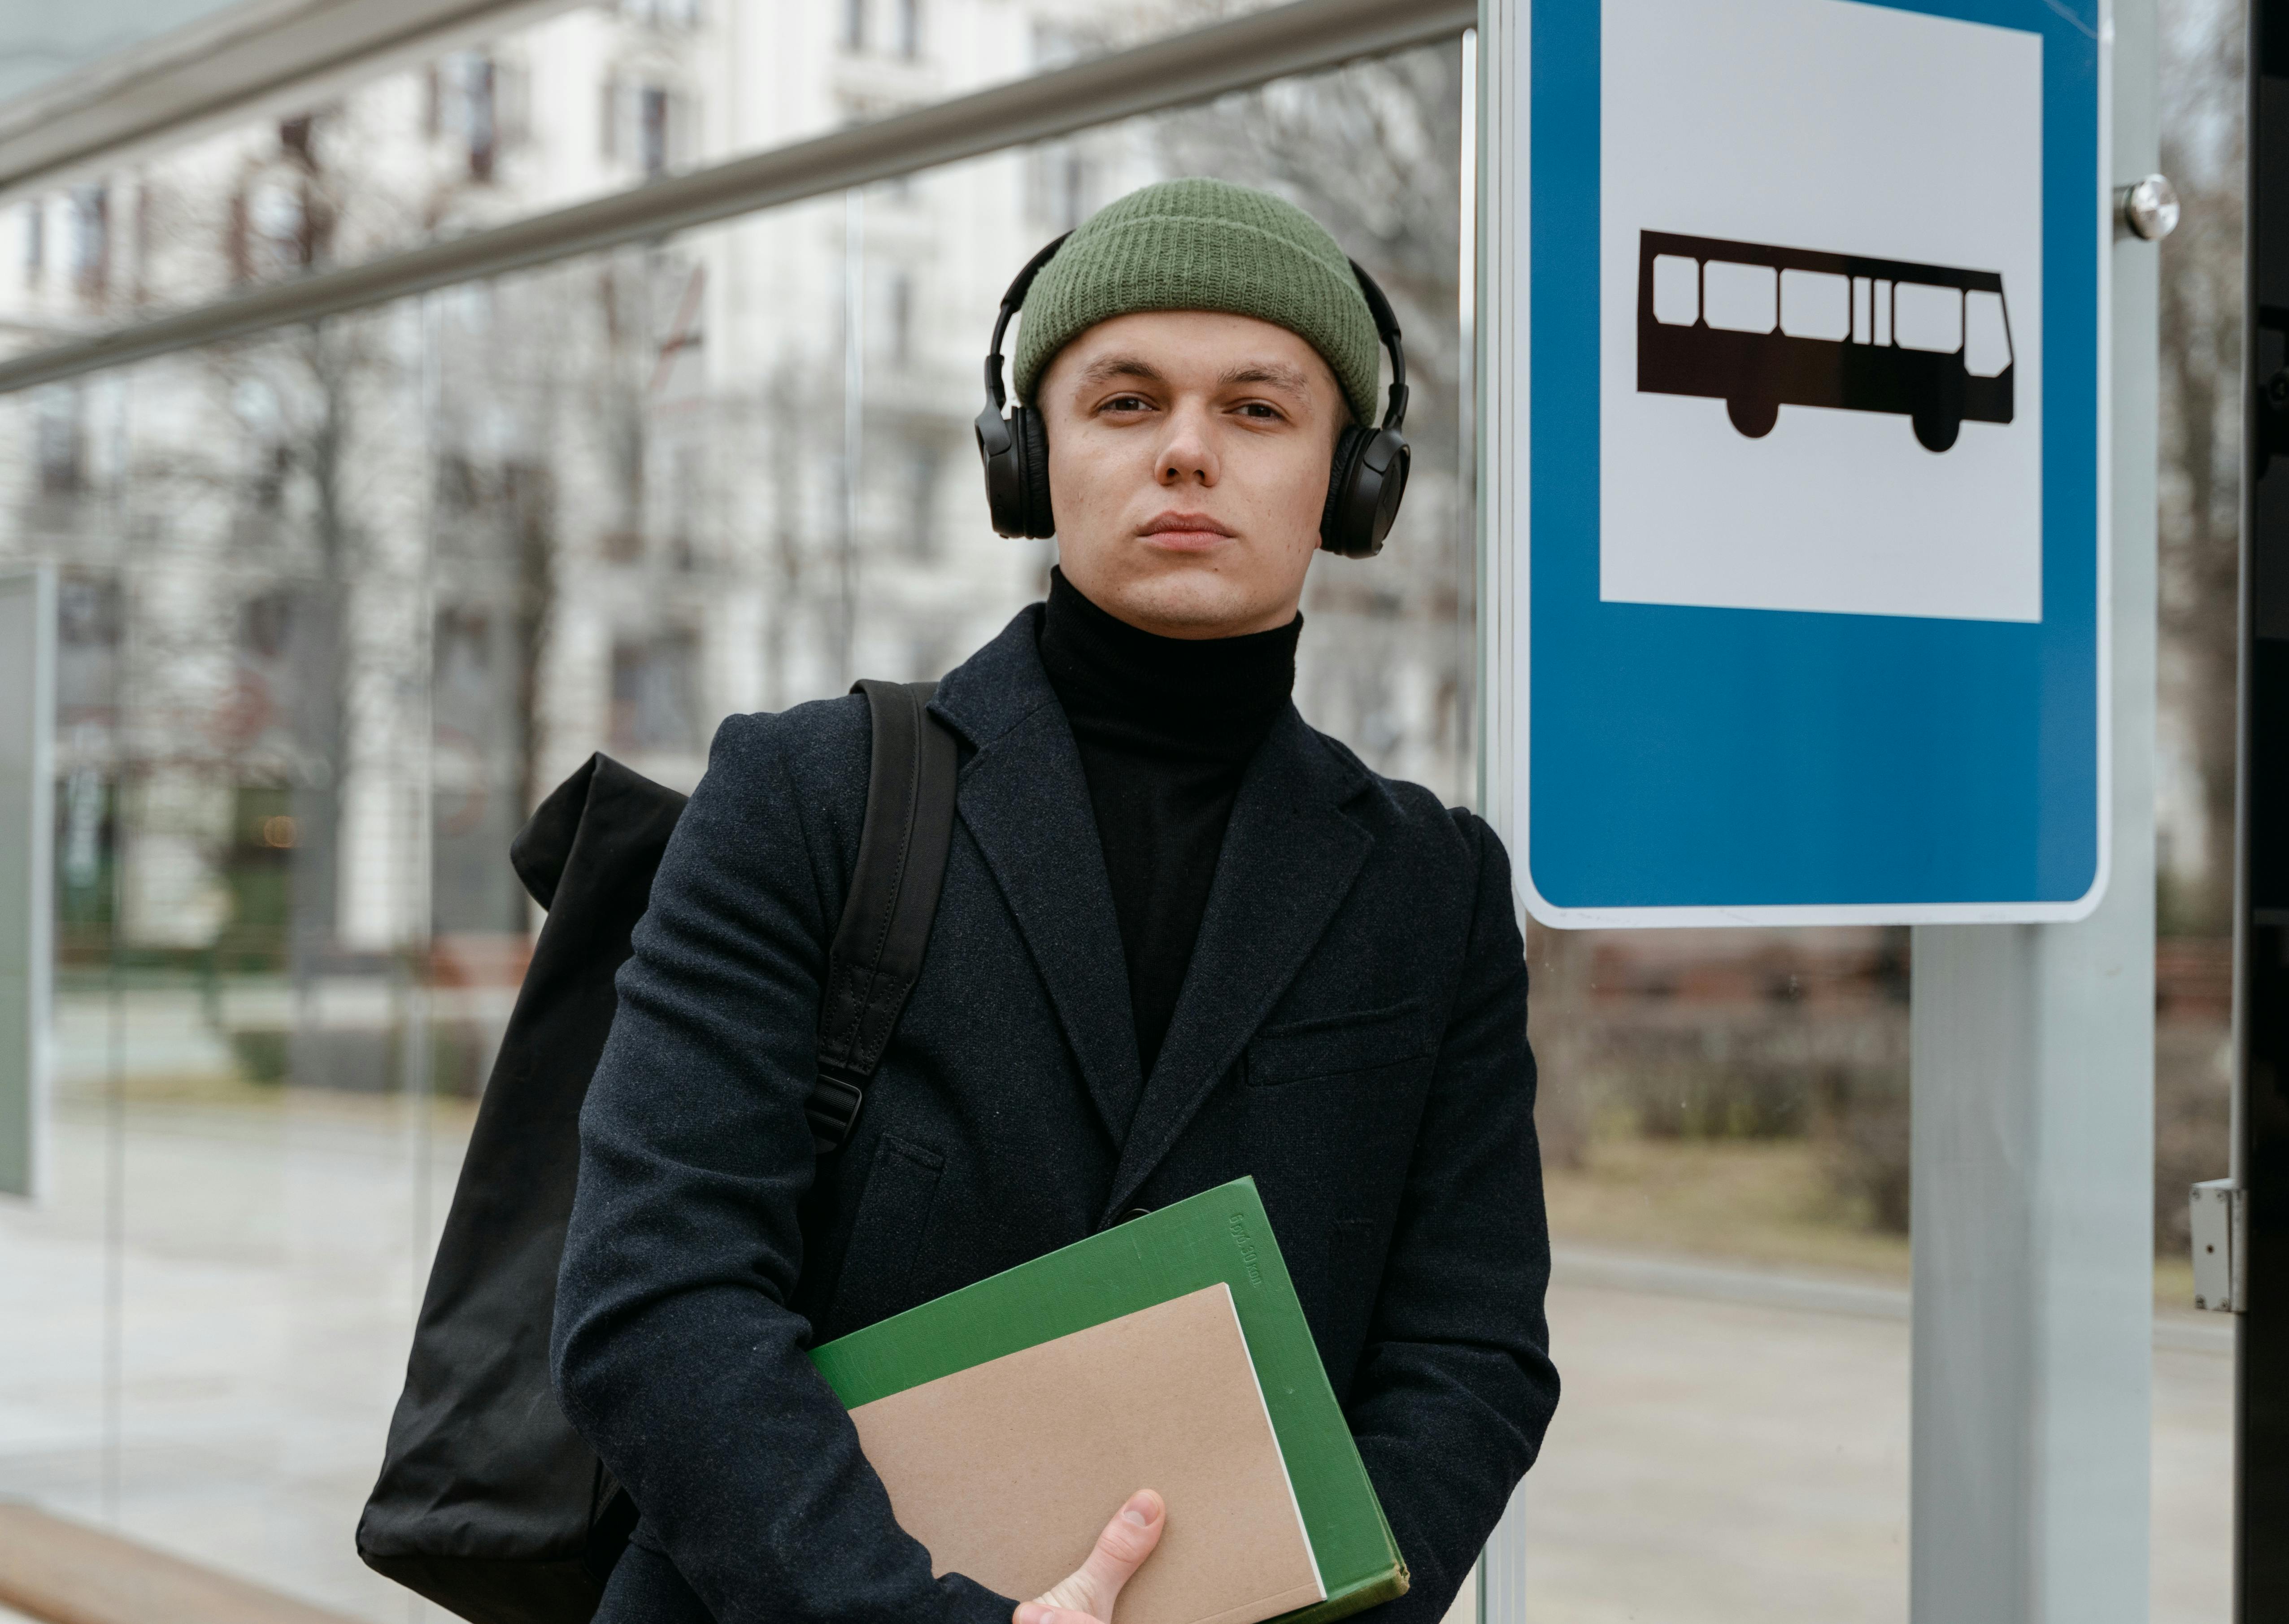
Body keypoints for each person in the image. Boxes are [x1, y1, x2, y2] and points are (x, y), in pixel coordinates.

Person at [551, 177, 1558, 1624]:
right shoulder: (806, 797)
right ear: (1027, 459)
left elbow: (1471, 1352)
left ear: (1354, 480)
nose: (1188, 450)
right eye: (1127, 402)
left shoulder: (1433, 887)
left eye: (1258, 409)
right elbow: (657, 1298)